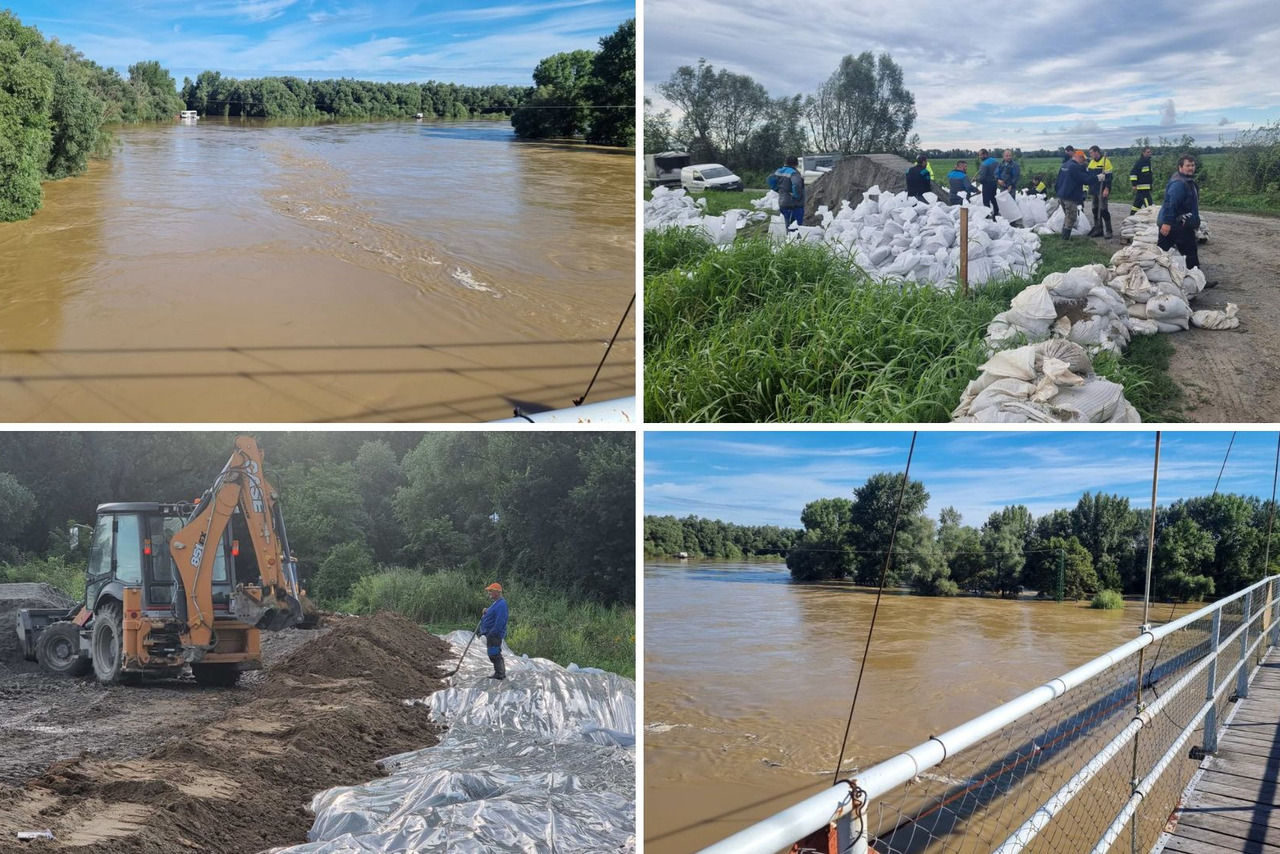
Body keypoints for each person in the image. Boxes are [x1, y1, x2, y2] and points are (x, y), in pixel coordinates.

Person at [1158, 154, 1214, 285]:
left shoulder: (1186, 180)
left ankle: (1190, 281)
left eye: (1193, 165)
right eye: (1188, 165)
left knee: (1163, 251)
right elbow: (1170, 203)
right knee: (1189, 252)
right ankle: (1198, 281)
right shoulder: (1179, 183)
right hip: (1176, 224)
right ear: (1180, 167)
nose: (1191, 168)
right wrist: (1166, 222)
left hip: (1178, 222)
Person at [1055, 150, 1094, 239]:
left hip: (1062, 195)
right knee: (1071, 217)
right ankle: (1065, 238)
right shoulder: (1075, 167)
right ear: (1079, 157)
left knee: (1067, 215)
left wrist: (1058, 192)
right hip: (1070, 196)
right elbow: (1084, 179)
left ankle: (1064, 235)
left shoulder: (1064, 165)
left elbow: (1058, 181)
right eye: (1083, 160)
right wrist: (1096, 178)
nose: (1083, 162)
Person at [479, 582, 509, 680]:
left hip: (494, 634)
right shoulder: (496, 603)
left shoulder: (502, 604)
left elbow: (500, 620)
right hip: (491, 633)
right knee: (493, 653)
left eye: (491, 591)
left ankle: (500, 674)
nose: (489, 593)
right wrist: (487, 610)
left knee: (494, 653)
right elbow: (493, 612)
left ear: (496, 592)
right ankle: (499, 672)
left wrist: (493, 632)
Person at [767, 155, 805, 228]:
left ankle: (787, 238)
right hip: (794, 205)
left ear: (785, 163)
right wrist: (796, 196)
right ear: (796, 164)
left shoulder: (779, 172)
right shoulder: (794, 173)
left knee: (785, 225)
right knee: (795, 227)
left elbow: (769, 179)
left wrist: (777, 189)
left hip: (782, 203)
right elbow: (796, 184)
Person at [1085, 145, 1115, 238]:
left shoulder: (1105, 161)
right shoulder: (1091, 163)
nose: (1090, 155)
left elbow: (1109, 177)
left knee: (1103, 210)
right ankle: (1098, 229)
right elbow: (1089, 177)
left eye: (1091, 152)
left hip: (1102, 190)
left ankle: (1109, 230)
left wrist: (1107, 188)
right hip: (1093, 190)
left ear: (1096, 152)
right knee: (1094, 210)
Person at [1129, 146, 1154, 213]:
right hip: (1143, 190)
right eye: (1148, 152)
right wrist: (1134, 184)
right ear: (1143, 153)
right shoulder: (1140, 162)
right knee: (1150, 208)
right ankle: (1151, 220)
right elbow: (1133, 173)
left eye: (1150, 152)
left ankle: (1131, 217)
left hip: (1144, 190)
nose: (1150, 153)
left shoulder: (1148, 162)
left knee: (1136, 207)